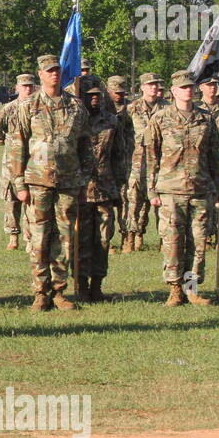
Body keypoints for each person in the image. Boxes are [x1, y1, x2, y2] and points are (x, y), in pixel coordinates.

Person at [6, 55, 92, 311]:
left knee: (64, 238)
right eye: (49, 71)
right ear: (40, 75)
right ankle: (40, 291)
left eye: (57, 70)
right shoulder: (28, 106)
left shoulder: (76, 106)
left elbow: (86, 145)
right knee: (39, 238)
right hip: (37, 182)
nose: (54, 74)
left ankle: (58, 291)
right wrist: (19, 183)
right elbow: (17, 145)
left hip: (68, 182)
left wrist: (83, 177)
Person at [146, 70, 219, 307]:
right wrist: (152, 190)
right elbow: (150, 157)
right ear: (173, 91)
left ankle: (192, 288)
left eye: (191, 87)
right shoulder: (160, 118)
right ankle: (175, 288)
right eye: (183, 87)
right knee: (173, 241)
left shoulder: (206, 119)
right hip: (170, 190)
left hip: (200, 189)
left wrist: (217, 187)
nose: (188, 91)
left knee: (198, 243)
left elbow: (214, 156)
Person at [79, 77, 127, 302]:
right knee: (80, 240)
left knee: (103, 239)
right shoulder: (75, 121)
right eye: (90, 95)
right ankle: (80, 284)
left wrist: (120, 185)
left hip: (105, 189)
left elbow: (119, 155)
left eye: (98, 94)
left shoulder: (112, 121)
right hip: (80, 190)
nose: (95, 98)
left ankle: (97, 284)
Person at [123, 72, 166, 252]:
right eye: (150, 85)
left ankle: (164, 241)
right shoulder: (132, 109)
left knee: (160, 201)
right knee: (134, 201)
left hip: (160, 162)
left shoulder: (166, 108)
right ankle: (132, 237)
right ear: (142, 88)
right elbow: (123, 133)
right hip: (137, 161)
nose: (153, 88)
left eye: (156, 85)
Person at [0, 74, 35, 252]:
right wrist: (3, 141)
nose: (27, 89)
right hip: (11, 161)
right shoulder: (10, 108)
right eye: (24, 86)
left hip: (32, 161)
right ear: (17, 88)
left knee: (30, 200)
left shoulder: (37, 107)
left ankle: (29, 237)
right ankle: (13, 236)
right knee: (11, 201)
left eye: (30, 86)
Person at [106, 76, 134, 248]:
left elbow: (133, 133)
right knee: (108, 203)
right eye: (116, 92)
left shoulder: (130, 108)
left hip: (126, 161)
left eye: (122, 93)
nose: (119, 96)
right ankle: (107, 241)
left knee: (126, 200)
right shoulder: (103, 109)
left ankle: (127, 236)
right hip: (107, 163)